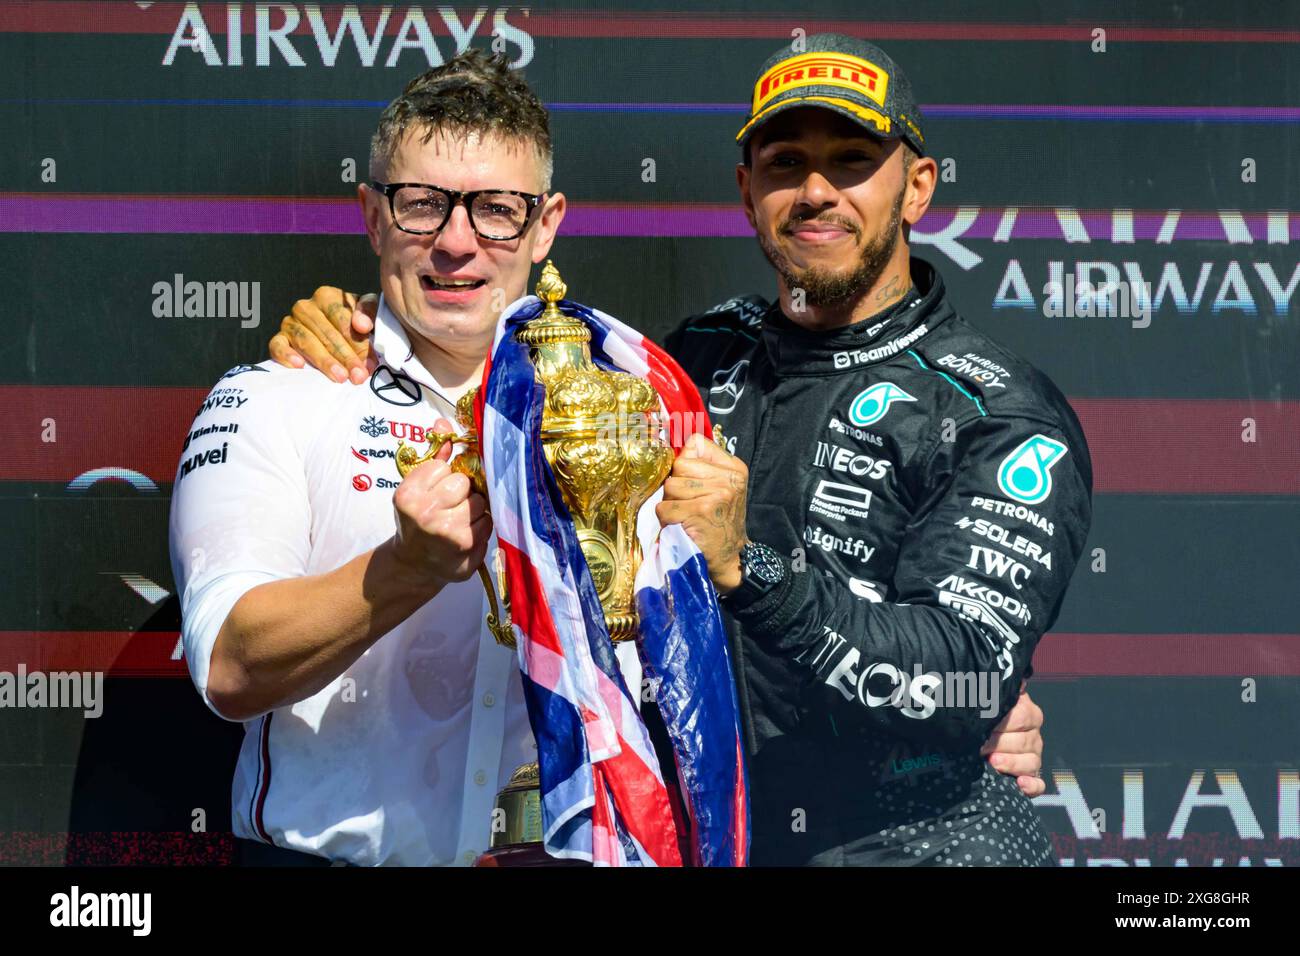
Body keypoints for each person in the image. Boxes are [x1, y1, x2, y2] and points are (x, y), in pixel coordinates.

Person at [270, 42, 1069, 866]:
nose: (817, 191)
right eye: (786, 163)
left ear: (919, 188)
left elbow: (966, 676)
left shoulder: (995, 411)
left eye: (854, 162)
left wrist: (752, 571)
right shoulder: (687, 362)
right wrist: (364, 328)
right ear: (747, 190)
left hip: (923, 849)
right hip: (708, 841)